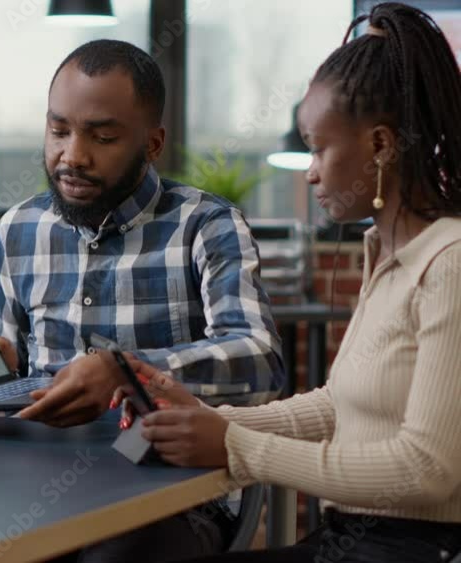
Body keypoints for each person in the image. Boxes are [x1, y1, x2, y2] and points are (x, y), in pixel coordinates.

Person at [125, 4, 461, 562]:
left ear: (380, 146)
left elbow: (426, 469)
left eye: (318, 148)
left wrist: (236, 446)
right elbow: (340, 407)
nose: (308, 172)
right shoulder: (389, 252)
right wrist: (207, 422)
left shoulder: (448, 264)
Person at [0, 39, 285, 561]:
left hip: (173, 490)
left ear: (152, 144)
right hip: (36, 485)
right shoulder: (18, 230)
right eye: (58, 131)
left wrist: (128, 371)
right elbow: (6, 376)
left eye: (102, 137)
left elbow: (261, 359)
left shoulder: (205, 226)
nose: (72, 156)